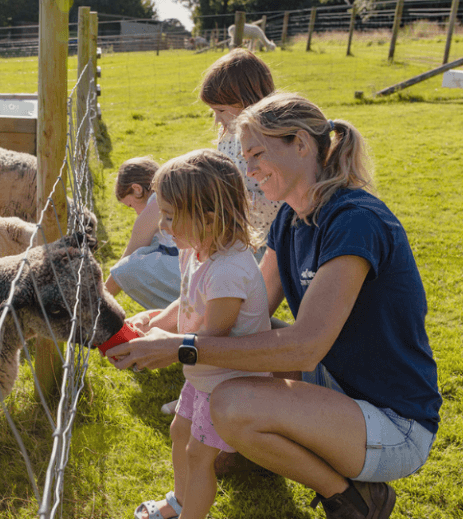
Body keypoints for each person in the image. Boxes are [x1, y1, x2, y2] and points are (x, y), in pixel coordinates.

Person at [109, 92, 442, 519]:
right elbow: (253, 310)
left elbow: (304, 348)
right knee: (247, 366)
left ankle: (353, 499)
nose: (248, 170)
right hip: (338, 389)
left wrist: (181, 347)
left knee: (230, 405)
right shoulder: (290, 218)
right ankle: (253, 452)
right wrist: (159, 322)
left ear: (300, 144)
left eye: (256, 155)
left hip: (394, 424)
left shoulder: (355, 221)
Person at [129, 149, 271, 519]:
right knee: (180, 432)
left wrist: (167, 348)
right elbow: (188, 302)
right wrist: (155, 321)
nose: (163, 226)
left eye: (172, 216)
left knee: (199, 454)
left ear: (208, 218)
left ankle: (192, 514)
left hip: (227, 381)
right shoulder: (195, 250)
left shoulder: (228, 271)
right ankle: (179, 501)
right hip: (204, 375)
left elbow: (215, 335)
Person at [198, 48, 282, 259]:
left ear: (248, 102)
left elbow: (282, 204)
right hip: (236, 232)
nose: (217, 120)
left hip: (267, 240)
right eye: (213, 111)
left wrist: (234, 202)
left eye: (221, 111)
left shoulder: (271, 143)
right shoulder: (227, 134)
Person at [105, 157, 181, 310]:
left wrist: (100, 297)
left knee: (129, 267)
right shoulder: (174, 189)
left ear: (137, 189)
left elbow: (124, 261)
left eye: (131, 205)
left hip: (183, 273)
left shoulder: (155, 204)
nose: (136, 212)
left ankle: (95, 310)